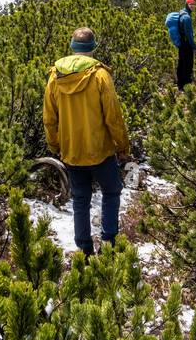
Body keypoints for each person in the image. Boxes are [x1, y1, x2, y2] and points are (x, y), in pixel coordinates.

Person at [43, 27, 131, 255]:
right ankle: (109, 245)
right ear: (93, 48)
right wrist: (123, 147)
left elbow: (49, 118)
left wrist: (55, 145)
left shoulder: (55, 77)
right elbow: (113, 116)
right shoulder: (100, 76)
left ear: (72, 47)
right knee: (111, 192)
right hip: (100, 151)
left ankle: (84, 249)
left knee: (80, 199)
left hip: (72, 151)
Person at [170, 0, 196, 90]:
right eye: (191, 5)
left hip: (182, 43)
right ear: (187, 5)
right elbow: (189, 35)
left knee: (182, 63)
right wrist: (195, 47)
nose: (193, 6)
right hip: (186, 44)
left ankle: (180, 84)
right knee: (188, 64)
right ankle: (185, 86)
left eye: (194, 5)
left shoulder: (181, 13)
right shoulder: (186, 17)